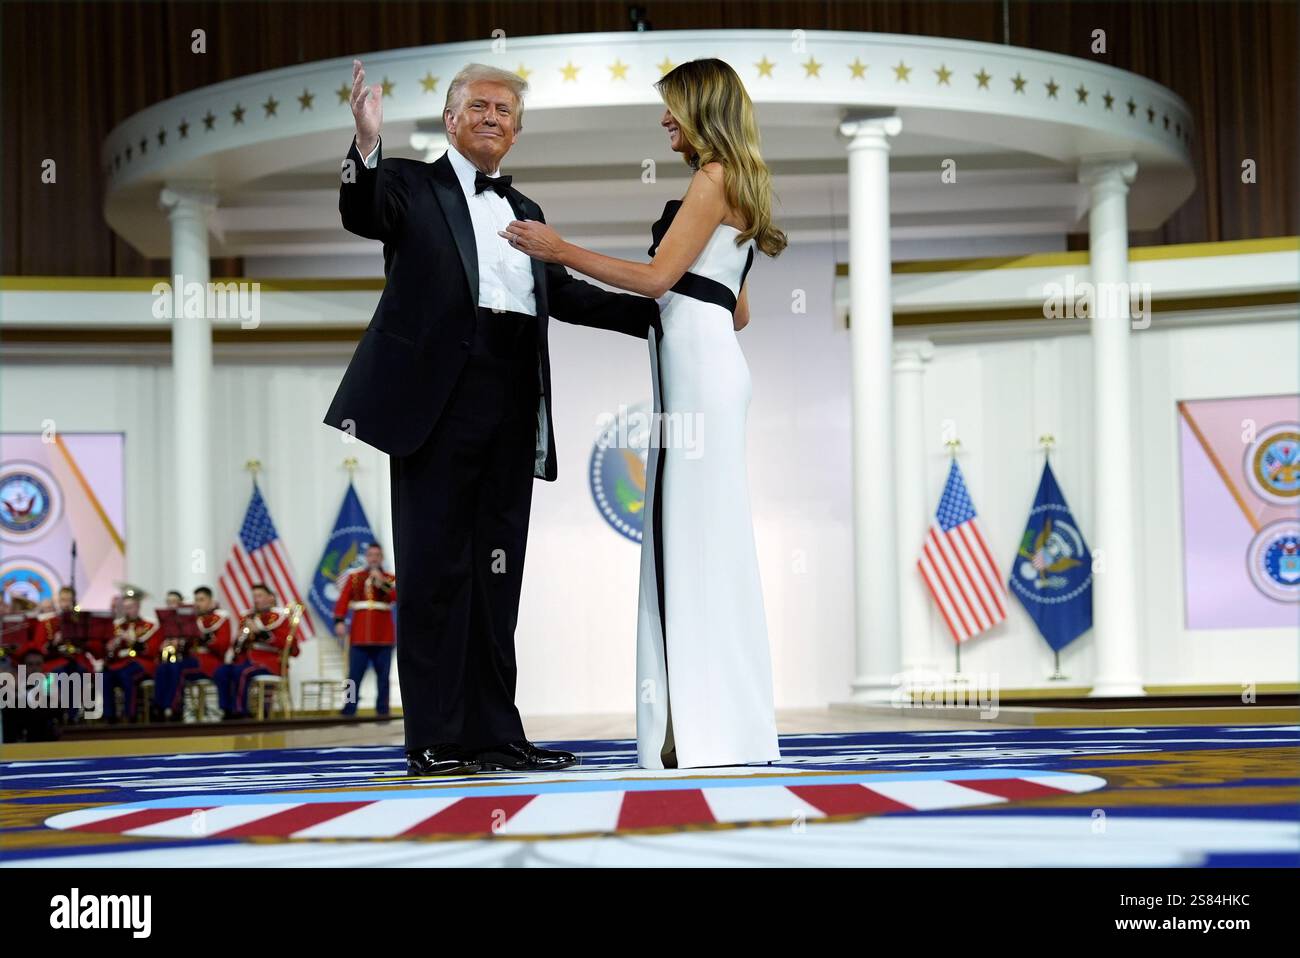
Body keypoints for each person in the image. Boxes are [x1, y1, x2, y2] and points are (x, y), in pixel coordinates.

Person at [324, 60, 659, 776]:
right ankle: (436, 738)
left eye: (506, 111)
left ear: (515, 131)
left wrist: (664, 316)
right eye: (479, 105)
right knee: (434, 570)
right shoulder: (410, 183)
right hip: (437, 402)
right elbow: (361, 210)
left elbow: (567, 297)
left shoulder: (526, 209)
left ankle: (495, 734)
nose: (492, 117)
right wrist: (366, 141)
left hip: (512, 400)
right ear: (451, 120)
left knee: (495, 575)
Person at [503, 58, 787, 770]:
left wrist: (557, 250)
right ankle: (713, 726)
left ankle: (694, 730)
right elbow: (736, 310)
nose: (664, 120)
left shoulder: (713, 176)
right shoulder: (741, 183)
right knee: (702, 541)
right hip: (714, 369)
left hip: (696, 382)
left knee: (683, 542)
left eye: (672, 108)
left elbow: (659, 280)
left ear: (702, 108)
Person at [212, 583, 299, 719]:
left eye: (259, 596)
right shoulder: (248, 617)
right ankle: (226, 709)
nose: (256, 600)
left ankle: (240, 712)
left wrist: (260, 633)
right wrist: (241, 638)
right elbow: (237, 647)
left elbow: (291, 646)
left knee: (242, 672)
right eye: (254, 596)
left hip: (269, 662)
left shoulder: (280, 616)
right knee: (221, 671)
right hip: (246, 660)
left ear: (271, 598)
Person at [333, 543, 396, 717]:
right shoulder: (354, 577)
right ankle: (349, 708)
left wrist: (381, 582)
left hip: (383, 636)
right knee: (353, 676)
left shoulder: (389, 578)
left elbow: (394, 597)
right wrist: (339, 620)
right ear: (366, 557)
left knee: (383, 677)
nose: (374, 558)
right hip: (359, 636)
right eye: (370, 555)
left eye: (377, 555)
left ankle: (383, 710)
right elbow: (343, 600)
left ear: (381, 558)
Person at [103, 590, 161, 723]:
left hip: (142, 664)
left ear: (138, 607)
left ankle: (130, 715)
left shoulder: (149, 625)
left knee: (127, 675)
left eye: (130, 607)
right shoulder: (117, 626)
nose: (127, 611)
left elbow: (151, 651)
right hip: (120, 664)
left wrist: (134, 642)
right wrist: (112, 646)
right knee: (105, 677)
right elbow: (111, 653)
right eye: (125, 608)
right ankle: (110, 716)